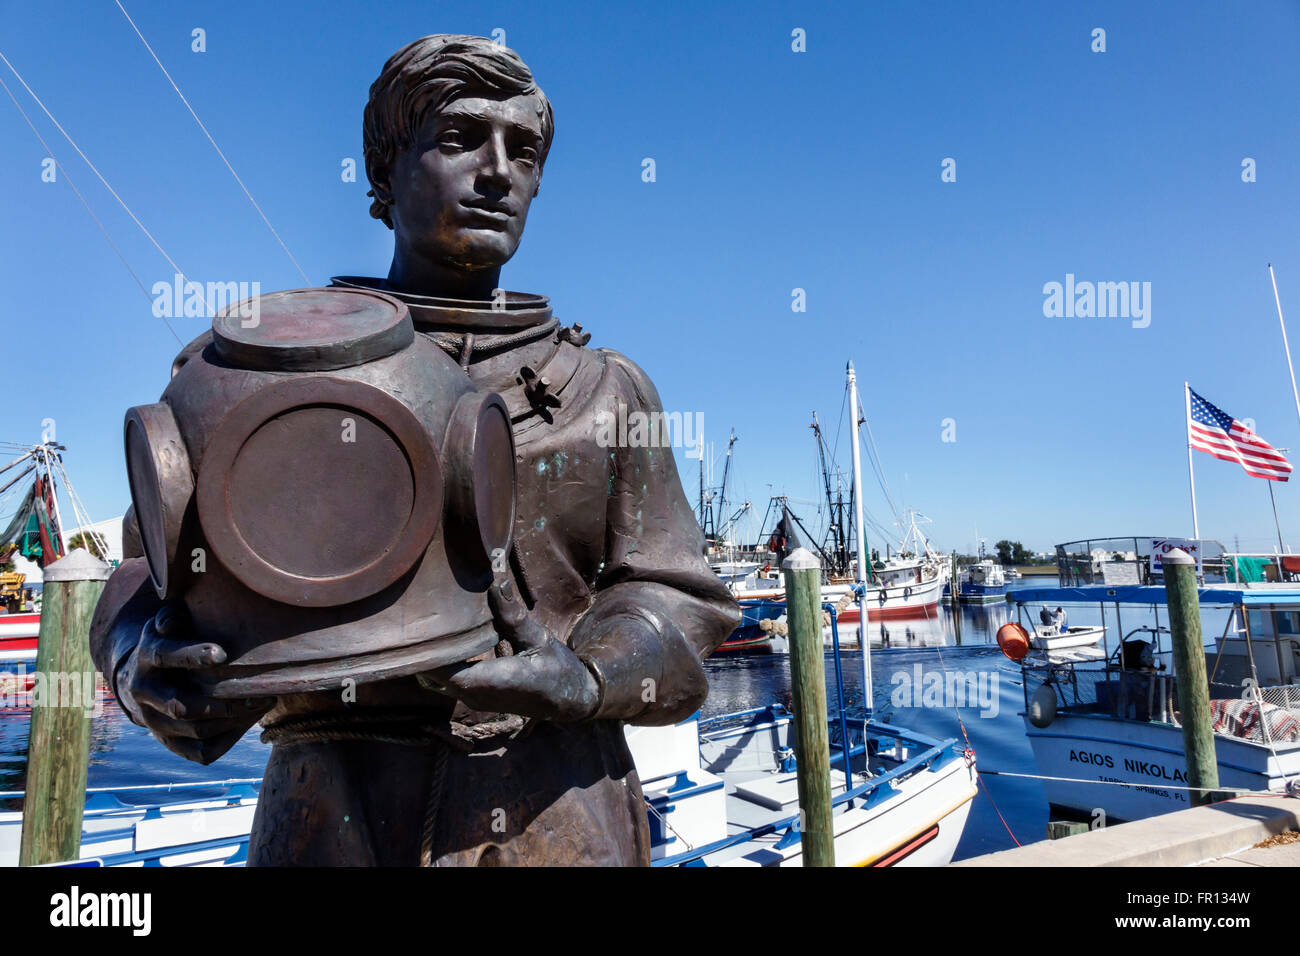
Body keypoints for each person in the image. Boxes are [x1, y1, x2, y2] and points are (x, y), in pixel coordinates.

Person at [90, 34, 740, 866]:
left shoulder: (604, 391)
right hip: (332, 809)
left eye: (525, 151)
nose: (499, 172)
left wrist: (589, 677)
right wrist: (141, 660)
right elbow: (150, 572)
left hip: (555, 804)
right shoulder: (251, 379)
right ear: (384, 174)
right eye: (462, 138)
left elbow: (676, 589)